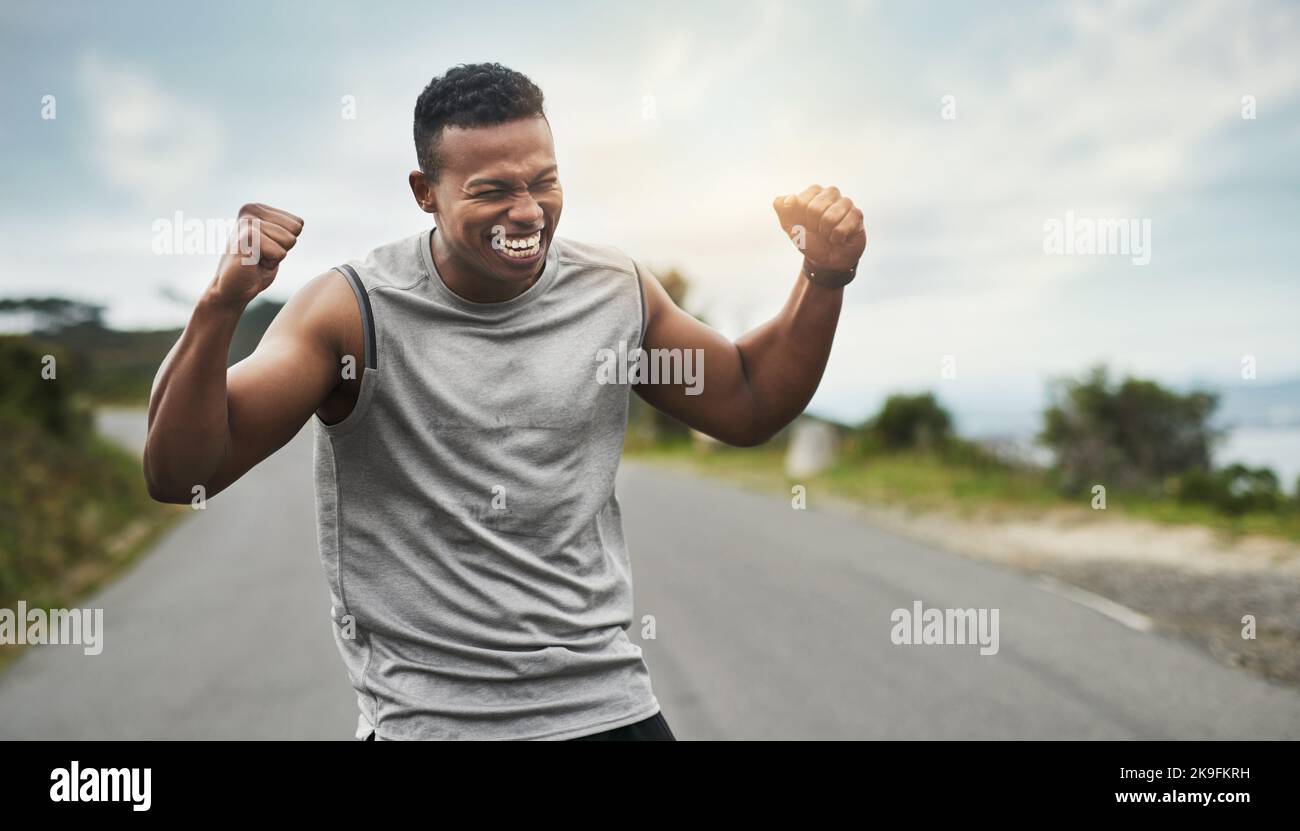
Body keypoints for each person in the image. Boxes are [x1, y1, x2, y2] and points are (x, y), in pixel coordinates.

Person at [143, 62, 866, 741]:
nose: (527, 212)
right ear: (425, 191)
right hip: (429, 718)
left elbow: (747, 400)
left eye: (544, 181)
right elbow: (181, 472)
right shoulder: (352, 311)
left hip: (604, 707)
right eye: (491, 190)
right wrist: (219, 306)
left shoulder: (612, 291)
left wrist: (824, 276)